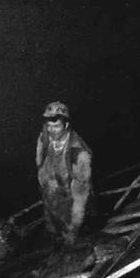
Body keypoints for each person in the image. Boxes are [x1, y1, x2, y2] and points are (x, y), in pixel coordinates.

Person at [36, 101, 94, 247]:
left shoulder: (79, 155)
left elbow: (80, 198)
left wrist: (74, 229)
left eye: (56, 126)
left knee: (77, 244)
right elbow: (40, 165)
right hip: (52, 201)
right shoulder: (44, 138)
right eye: (49, 126)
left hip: (72, 207)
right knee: (53, 238)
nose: (51, 130)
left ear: (67, 125)